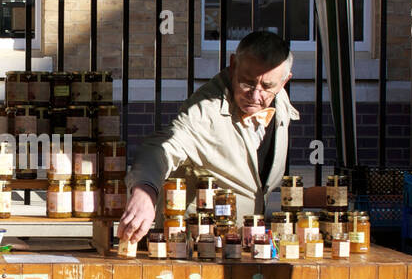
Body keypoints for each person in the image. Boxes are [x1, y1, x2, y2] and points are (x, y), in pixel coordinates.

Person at [119, 30, 299, 242]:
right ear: (233, 65)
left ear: (285, 81)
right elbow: (161, 146)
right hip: (193, 242)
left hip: (243, 242)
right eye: (247, 82)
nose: (255, 95)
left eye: (267, 86)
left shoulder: (279, 98)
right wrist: (145, 191)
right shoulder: (205, 110)